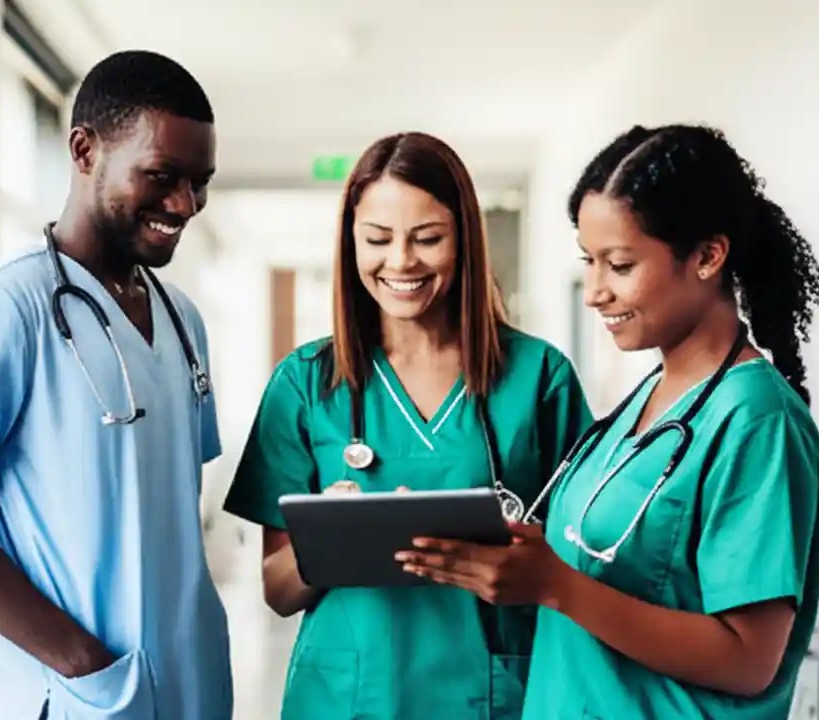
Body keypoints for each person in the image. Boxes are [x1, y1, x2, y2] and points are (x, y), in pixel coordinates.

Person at [396, 124, 819, 719]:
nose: (594, 292)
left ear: (707, 256)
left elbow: (750, 659)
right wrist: (521, 551)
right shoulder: (650, 396)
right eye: (589, 262)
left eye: (619, 265)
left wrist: (556, 586)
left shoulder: (757, 420)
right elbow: (611, 564)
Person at [0, 51, 230, 720]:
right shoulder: (5, 304)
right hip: (73, 693)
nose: (184, 204)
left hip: (185, 682)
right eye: (162, 176)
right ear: (84, 150)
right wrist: (83, 662)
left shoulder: (182, 318)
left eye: (200, 182)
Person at [222, 131, 594, 719]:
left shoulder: (539, 377)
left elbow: (582, 563)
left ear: (464, 240)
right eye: (377, 239)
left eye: (428, 238)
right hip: (347, 698)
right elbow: (278, 591)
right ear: (351, 245)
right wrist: (329, 536)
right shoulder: (306, 381)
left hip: (490, 695)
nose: (401, 262)